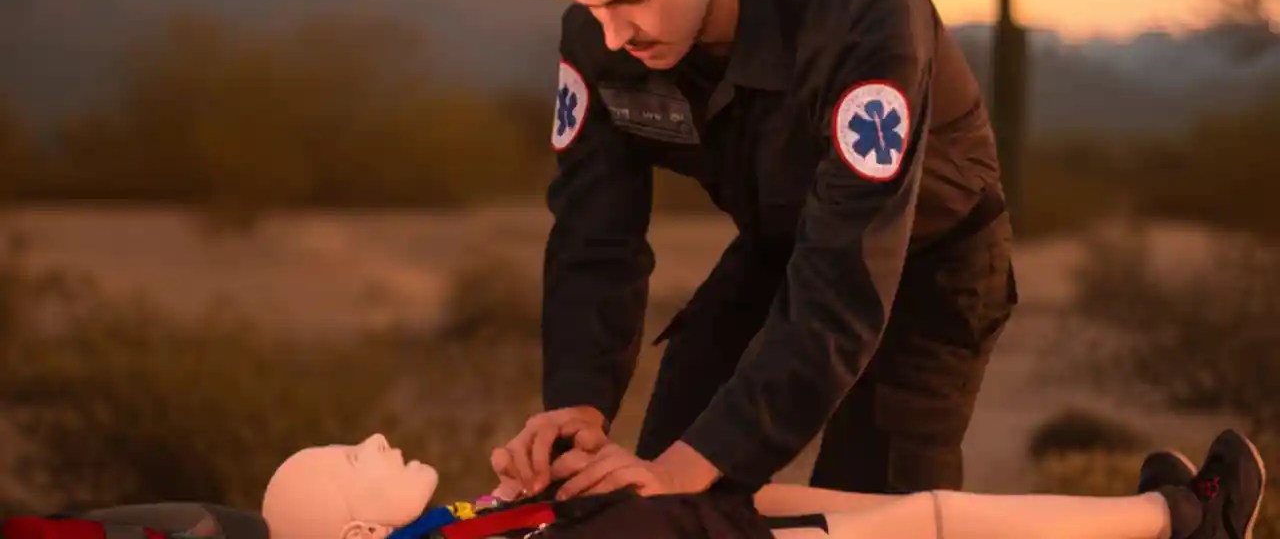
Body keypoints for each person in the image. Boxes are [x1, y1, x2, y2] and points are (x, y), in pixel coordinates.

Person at [492, 0, 1016, 501]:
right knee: (656, 503)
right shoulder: (599, 37)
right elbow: (595, 238)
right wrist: (577, 403)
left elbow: (843, 284)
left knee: (876, 509)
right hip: (780, 243)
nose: (614, 37)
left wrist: (687, 467)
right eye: (589, 5)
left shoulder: (864, 19)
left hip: (933, 260)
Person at [254, 429, 1267, 539]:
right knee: (928, 519)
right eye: (351, 461)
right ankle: (1173, 518)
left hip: (724, 514)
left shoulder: (449, 527)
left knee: (904, 512)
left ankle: (1158, 514)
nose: (374, 437)